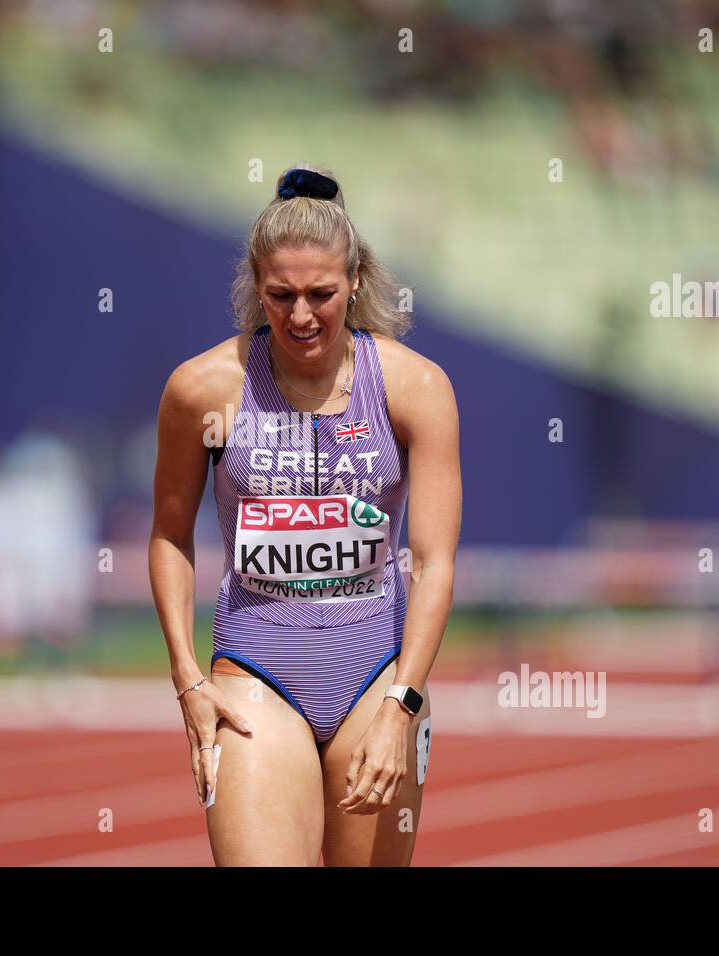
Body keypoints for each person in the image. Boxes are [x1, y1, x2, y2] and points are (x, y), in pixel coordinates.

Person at [149, 165, 461, 865]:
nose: (299, 316)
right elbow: (169, 537)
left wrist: (401, 705)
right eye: (279, 295)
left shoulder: (415, 387)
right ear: (254, 287)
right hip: (257, 676)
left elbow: (436, 561)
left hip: (376, 677)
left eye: (320, 294)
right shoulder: (203, 388)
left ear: (355, 280)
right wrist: (186, 680)